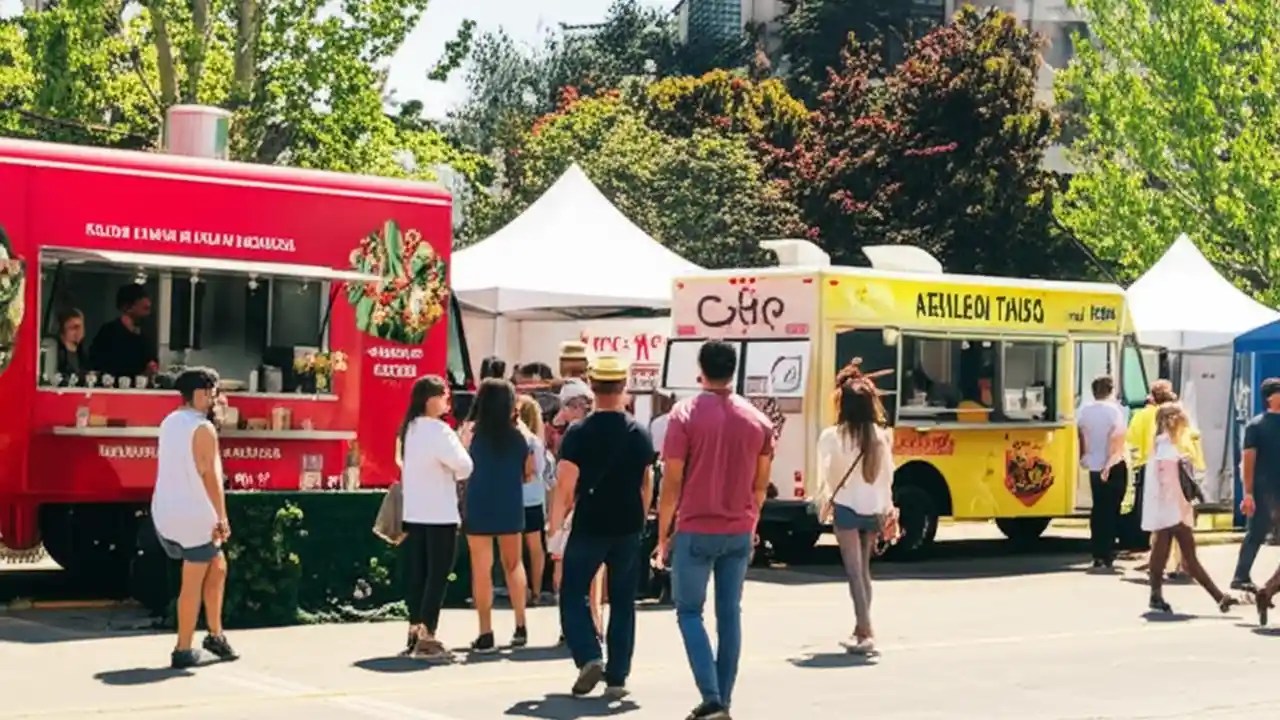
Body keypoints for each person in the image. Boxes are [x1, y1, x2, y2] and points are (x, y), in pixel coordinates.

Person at [655, 340, 773, 720]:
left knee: (689, 612)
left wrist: (662, 533)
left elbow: (671, 481)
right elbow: (760, 485)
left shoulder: (683, 415)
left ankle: (712, 697)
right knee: (730, 614)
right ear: (734, 370)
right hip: (739, 527)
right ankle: (724, 698)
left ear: (700, 369)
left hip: (695, 526)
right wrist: (752, 521)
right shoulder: (759, 421)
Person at [549, 356, 654, 699]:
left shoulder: (579, 433)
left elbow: (565, 484)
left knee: (573, 592)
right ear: (623, 388)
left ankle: (589, 655)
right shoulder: (638, 432)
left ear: (592, 388)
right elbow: (646, 482)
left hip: (591, 522)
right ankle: (618, 676)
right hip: (627, 525)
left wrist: (554, 526)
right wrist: (643, 516)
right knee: (623, 601)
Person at [150, 367, 237, 669]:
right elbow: (209, 475)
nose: (215, 399)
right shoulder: (203, 429)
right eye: (212, 393)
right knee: (193, 582)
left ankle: (216, 634)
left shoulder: (170, 421)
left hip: (165, 510)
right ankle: (183, 648)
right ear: (200, 394)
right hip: (195, 515)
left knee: (218, 565)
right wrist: (222, 517)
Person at [817, 363, 898, 655]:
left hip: (847, 506)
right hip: (874, 507)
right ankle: (861, 628)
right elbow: (888, 476)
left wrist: (825, 500)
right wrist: (889, 509)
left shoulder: (832, 436)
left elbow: (827, 476)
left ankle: (865, 631)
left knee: (854, 571)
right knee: (864, 570)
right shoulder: (882, 436)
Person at [399, 375, 473, 661]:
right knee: (437, 576)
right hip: (440, 513)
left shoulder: (411, 429)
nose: (448, 401)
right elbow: (465, 466)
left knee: (418, 573)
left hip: (415, 511)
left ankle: (415, 628)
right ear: (431, 399)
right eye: (444, 395)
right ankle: (428, 635)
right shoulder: (440, 431)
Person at [460, 378, 534, 653]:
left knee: (481, 569)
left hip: (478, 502)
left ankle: (485, 632)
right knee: (513, 564)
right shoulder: (517, 437)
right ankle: (520, 625)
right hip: (509, 502)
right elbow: (529, 473)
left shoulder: (471, 433)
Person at [1142, 402, 1237, 614]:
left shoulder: (1161, 445)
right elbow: (1170, 484)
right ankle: (1219, 598)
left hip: (1168, 510)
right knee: (1185, 557)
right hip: (1173, 510)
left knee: (1164, 554)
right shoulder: (1167, 448)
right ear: (1174, 422)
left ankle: (1157, 595)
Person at [1232, 377, 1280, 595]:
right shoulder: (1257, 425)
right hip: (1264, 488)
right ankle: (1241, 576)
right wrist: (1248, 493)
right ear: (1270, 397)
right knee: (1256, 532)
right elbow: (1248, 459)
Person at [1078, 375, 1128, 570]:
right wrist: (1110, 464)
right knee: (1112, 509)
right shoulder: (1114, 411)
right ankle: (1108, 552)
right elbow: (1117, 439)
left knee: (1098, 509)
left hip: (1093, 463)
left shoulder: (1084, 411)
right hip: (1112, 464)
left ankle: (1097, 552)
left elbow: (1081, 436)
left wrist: (1084, 457)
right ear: (1111, 390)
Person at [517, 395, 553, 605]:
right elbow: (543, 473)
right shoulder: (536, 443)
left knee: (514, 549)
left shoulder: (512, 440)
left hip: (512, 498)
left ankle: (520, 589)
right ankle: (536, 590)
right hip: (533, 498)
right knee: (535, 547)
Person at [90, 284, 158, 380]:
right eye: (145, 309)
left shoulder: (145, 336)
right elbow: (97, 366)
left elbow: (150, 363)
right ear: (127, 307)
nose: (148, 314)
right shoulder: (108, 333)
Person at [53, 308, 90, 381]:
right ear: (62, 329)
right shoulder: (55, 354)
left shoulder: (84, 355)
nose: (80, 331)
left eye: (81, 327)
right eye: (75, 327)